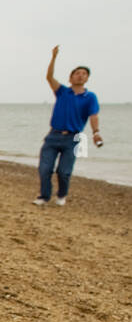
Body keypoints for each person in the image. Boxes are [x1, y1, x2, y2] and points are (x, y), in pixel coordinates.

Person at [35, 46, 102, 206]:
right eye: (77, 73)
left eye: (84, 74)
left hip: (72, 138)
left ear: (87, 79)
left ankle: (61, 195)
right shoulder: (62, 91)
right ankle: (44, 197)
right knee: (45, 169)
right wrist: (53, 58)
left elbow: (93, 115)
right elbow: (49, 77)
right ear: (70, 78)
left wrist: (96, 132)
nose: (80, 76)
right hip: (53, 136)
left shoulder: (90, 97)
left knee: (64, 172)